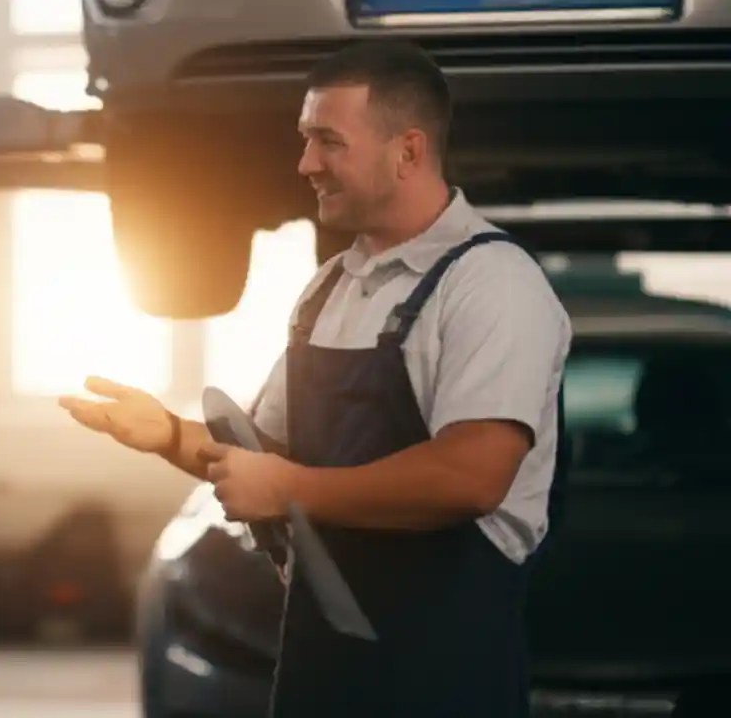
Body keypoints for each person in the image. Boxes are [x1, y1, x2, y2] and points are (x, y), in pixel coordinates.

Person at [60, 41, 570, 717]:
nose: (305, 164)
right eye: (305, 140)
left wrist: (291, 489)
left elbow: (471, 474)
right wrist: (167, 434)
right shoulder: (329, 289)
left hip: (442, 679)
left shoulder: (492, 283)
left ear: (408, 152)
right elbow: (266, 456)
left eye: (328, 141)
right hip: (319, 676)